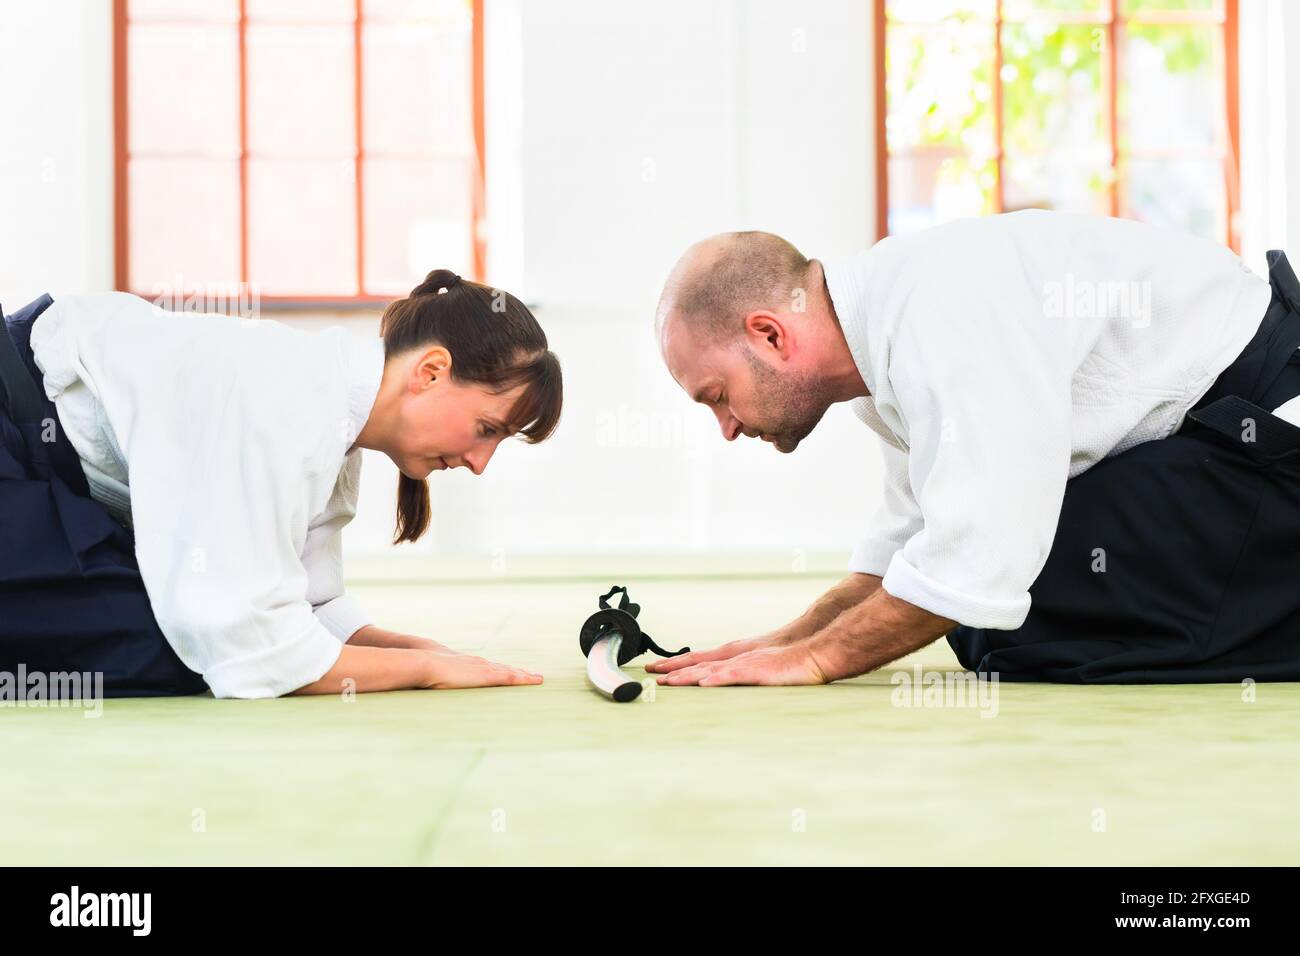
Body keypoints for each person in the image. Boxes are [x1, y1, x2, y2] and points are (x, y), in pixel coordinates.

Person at [648, 212, 1300, 686]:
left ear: (769, 335)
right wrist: (780, 641)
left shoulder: (939, 312)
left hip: (1268, 427)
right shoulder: (880, 332)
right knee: (971, 616)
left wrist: (815, 661)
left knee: (1011, 606)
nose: (726, 427)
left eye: (716, 396)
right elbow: (911, 546)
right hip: (1201, 433)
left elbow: (976, 562)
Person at [0, 270, 560, 699]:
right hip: (14, 435)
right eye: (488, 429)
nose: (481, 462)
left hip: (42, 471)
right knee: (163, 648)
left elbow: (305, 604)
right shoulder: (290, 396)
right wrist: (426, 670)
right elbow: (252, 648)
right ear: (431, 371)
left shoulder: (338, 413)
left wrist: (413, 646)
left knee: (167, 631)